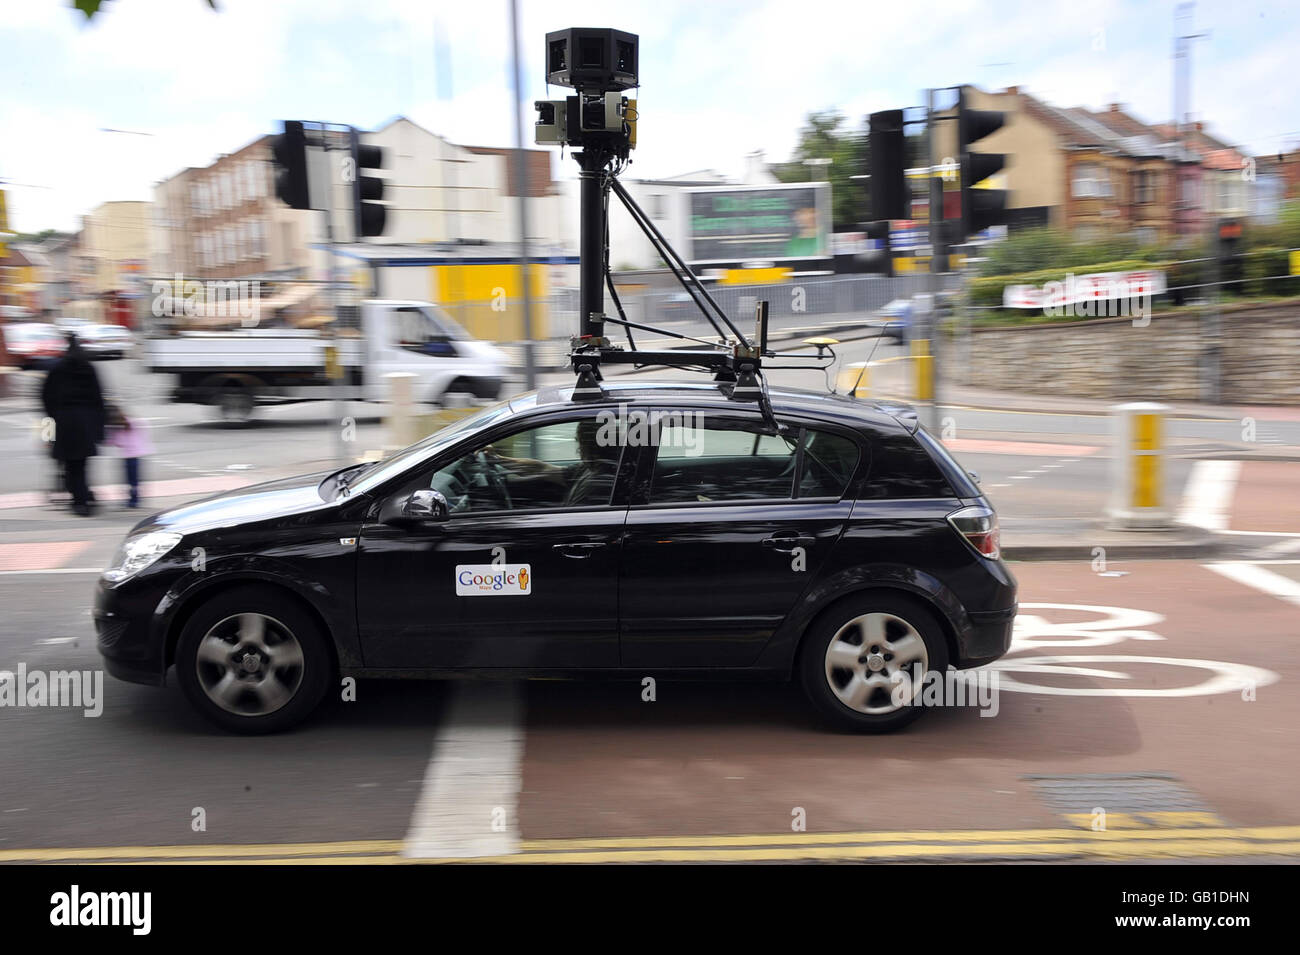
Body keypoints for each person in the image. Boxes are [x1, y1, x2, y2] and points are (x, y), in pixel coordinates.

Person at [40, 333, 106, 516]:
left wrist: (47, 430)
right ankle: (83, 496)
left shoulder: (56, 368)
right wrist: (99, 429)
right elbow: (98, 399)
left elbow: (45, 398)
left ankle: (80, 500)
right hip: (86, 423)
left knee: (70, 464)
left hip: (63, 422)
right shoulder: (89, 368)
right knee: (81, 464)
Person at [106, 403, 154, 509]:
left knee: (130, 479)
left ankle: (133, 500)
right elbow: (145, 424)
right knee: (134, 479)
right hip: (135, 455)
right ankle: (134, 499)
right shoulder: (130, 422)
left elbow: (112, 442)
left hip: (128, 456)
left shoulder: (116, 426)